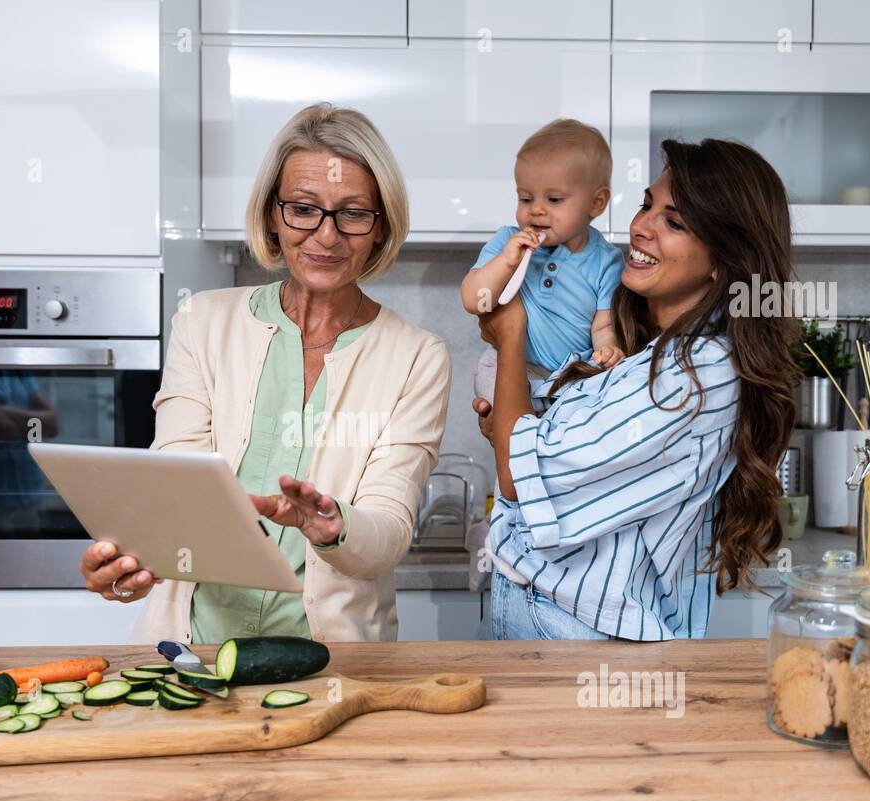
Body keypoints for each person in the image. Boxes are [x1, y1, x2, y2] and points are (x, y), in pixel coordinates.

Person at [79, 103, 451, 642]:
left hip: (335, 665)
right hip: (189, 653)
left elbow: (389, 528)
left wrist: (334, 528)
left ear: (380, 227)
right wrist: (130, 568)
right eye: (303, 208)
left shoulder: (417, 355)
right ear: (273, 215)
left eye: (352, 213)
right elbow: (175, 482)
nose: (326, 237)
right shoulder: (202, 320)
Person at [474, 138, 799, 641]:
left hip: (579, 635)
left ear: (724, 260)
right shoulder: (647, 349)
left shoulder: (698, 374)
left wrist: (510, 334)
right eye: (648, 205)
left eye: (675, 222)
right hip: (563, 621)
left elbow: (519, 476)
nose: (641, 226)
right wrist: (511, 422)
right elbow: (537, 449)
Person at [461, 118, 625, 411]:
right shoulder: (506, 241)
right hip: (510, 365)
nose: (536, 209)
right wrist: (506, 262)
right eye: (525, 197)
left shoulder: (606, 261)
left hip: (571, 375)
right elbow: (474, 300)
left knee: (595, 400)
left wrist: (607, 350)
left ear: (596, 203)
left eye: (554, 199)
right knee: (500, 396)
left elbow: (604, 324)